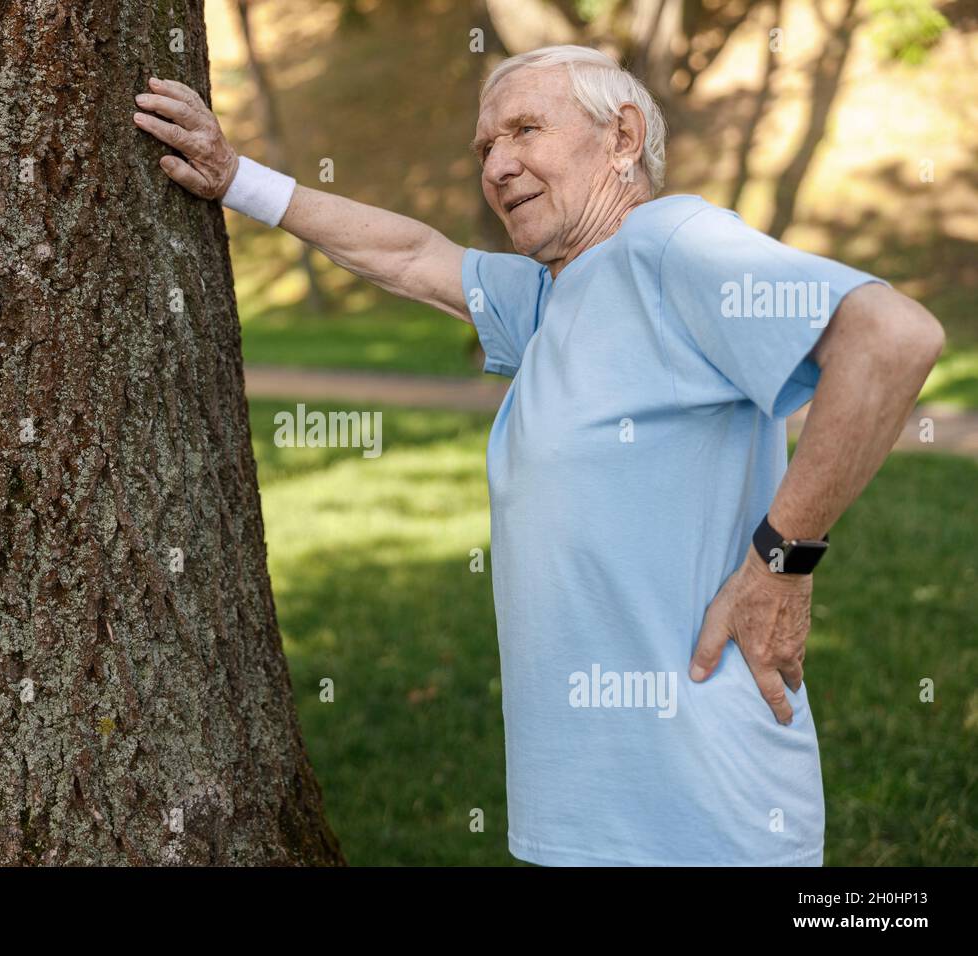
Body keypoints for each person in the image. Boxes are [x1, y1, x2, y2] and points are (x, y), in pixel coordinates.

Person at [131, 45, 944, 866]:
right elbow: (413, 256)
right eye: (486, 148)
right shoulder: (556, 294)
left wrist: (783, 562)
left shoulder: (670, 245)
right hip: (588, 816)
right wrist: (237, 178)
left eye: (526, 129)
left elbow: (893, 338)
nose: (500, 164)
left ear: (623, 136)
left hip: (701, 814)